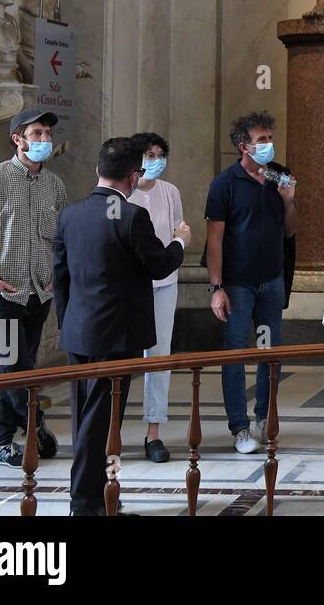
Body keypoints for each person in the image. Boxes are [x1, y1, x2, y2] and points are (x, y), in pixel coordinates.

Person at [52, 137, 190, 515]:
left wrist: (68, 325)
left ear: (98, 171)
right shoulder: (132, 216)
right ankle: (85, 504)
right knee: (100, 421)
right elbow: (159, 265)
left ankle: (95, 496)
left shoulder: (71, 214)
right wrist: (179, 241)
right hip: (116, 336)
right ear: (133, 178)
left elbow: (60, 279)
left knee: (87, 418)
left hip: (79, 331)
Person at [0, 108, 67, 468]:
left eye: (47, 133)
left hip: (39, 292)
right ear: (17, 138)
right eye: (36, 133)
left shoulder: (54, 185)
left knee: (21, 367)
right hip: (1, 294)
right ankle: (34, 424)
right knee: (13, 366)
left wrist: (57, 273)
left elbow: (62, 238)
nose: (44, 140)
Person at [205, 111, 296, 454]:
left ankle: (263, 418)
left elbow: (290, 230)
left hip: (271, 283)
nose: (269, 144)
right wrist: (217, 288)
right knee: (236, 353)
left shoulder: (279, 177)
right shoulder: (225, 183)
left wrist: (289, 202)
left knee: (268, 351)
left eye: (271, 137)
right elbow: (214, 239)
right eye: (262, 139)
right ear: (244, 146)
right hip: (238, 285)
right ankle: (240, 428)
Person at [129, 132, 185, 463]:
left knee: (159, 356)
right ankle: (110, 430)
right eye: (149, 155)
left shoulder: (170, 191)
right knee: (122, 355)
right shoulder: (125, 193)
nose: (156, 160)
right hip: (131, 285)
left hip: (165, 282)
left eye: (160, 154)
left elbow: (178, 230)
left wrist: (180, 239)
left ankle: (154, 432)